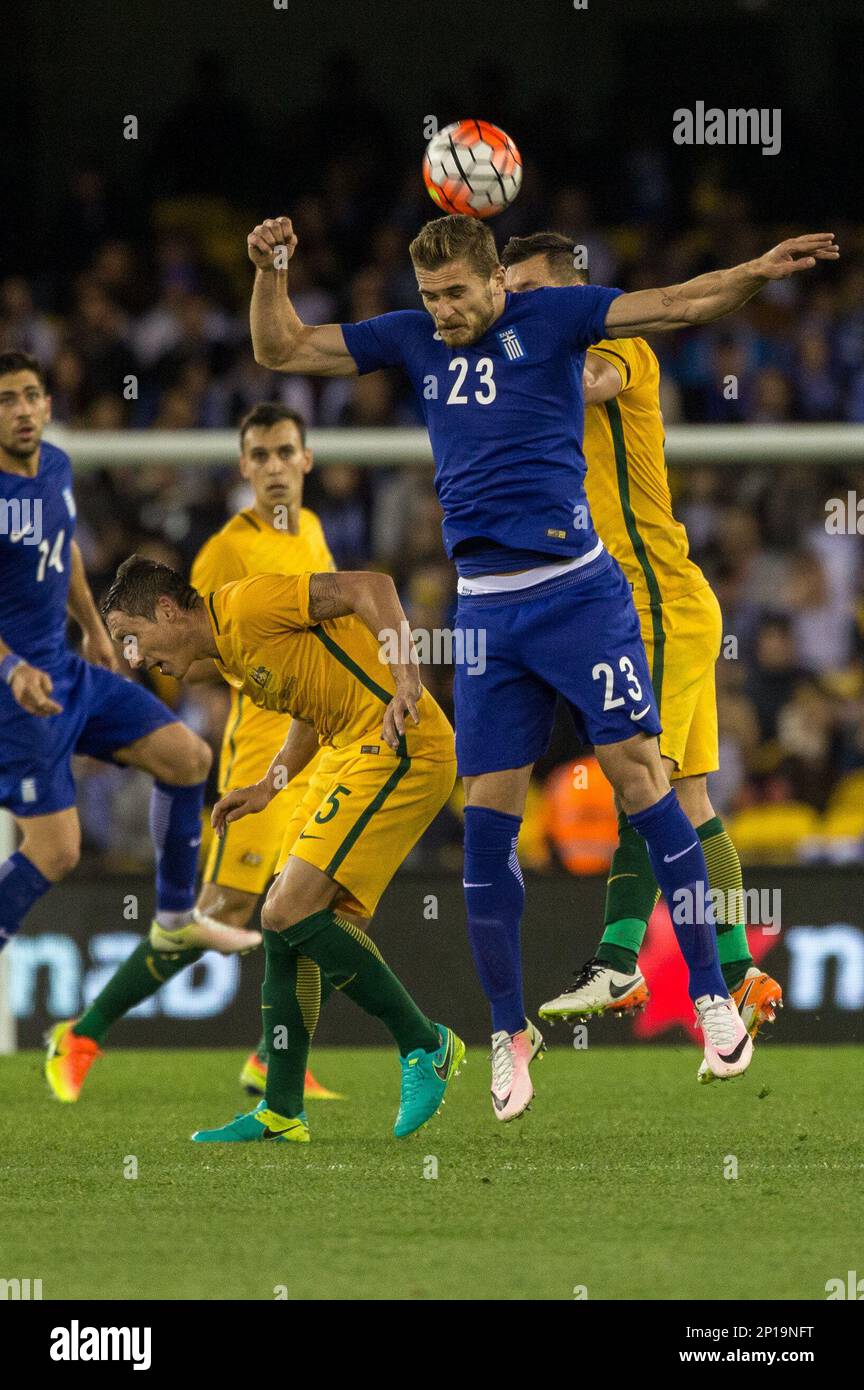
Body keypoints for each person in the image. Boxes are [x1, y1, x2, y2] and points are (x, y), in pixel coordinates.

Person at [244, 211, 837, 1116]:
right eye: (430, 296)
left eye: (457, 294)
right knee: (487, 825)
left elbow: (682, 301)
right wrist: (273, 267)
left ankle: (713, 997)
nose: (442, 311)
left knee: (648, 780)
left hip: (581, 595)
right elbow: (281, 349)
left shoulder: (556, 319)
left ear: (496, 283)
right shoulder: (411, 337)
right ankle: (509, 1036)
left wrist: (757, 265)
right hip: (487, 612)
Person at [500, 232, 782, 1075]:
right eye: (507, 291)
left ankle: (619, 961)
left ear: (569, 290)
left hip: (653, 595)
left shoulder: (613, 346)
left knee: (640, 772)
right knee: (687, 799)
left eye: (528, 290)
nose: (517, 304)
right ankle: (740, 979)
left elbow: (589, 382)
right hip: (654, 601)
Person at [101, 557, 462, 1142]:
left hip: (400, 744)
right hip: (350, 751)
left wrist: (406, 680)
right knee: (285, 920)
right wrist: (268, 786)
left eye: (130, 638)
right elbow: (310, 710)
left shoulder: (248, 605)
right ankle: (282, 1110)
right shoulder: (236, 653)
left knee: (288, 910)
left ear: (166, 611)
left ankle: (426, 1044)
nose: (134, 659)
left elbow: (372, 586)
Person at [48, 402, 341, 1104]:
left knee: (320, 902)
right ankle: (82, 1032)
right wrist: (247, 667)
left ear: (306, 461)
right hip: (263, 749)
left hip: (320, 744)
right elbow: (177, 650)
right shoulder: (227, 550)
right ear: (242, 467)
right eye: (259, 455)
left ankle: (276, 1061)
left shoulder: (314, 531)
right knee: (223, 913)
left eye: (284, 452)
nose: (273, 466)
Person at [0, 351, 252, 1107]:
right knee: (56, 848)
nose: (22, 410)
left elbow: (63, 551)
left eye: (32, 396)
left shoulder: (56, 467)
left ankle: (176, 919)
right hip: (19, 689)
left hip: (71, 671)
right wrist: (12, 665)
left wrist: (92, 629)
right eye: (7, 399)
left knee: (186, 755)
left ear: (48, 404)